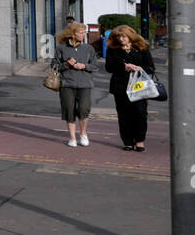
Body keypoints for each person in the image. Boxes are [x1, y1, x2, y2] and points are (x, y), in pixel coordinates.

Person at [105, 24, 156, 152]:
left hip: (139, 87)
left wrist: (139, 68)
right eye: (118, 37)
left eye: (124, 36)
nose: (121, 39)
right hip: (120, 87)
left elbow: (151, 67)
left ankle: (139, 141)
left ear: (130, 35)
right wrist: (123, 67)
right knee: (124, 115)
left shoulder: (141, 48)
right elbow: (108, 67)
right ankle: (127, 141)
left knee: (140, 113)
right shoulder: (113, 49)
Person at [54, 22, 97, 147]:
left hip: (85, 84)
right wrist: (66, 64)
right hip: (67, 84)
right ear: (72, 34)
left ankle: (83, 133)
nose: (83, 35)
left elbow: (95, 66)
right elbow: (54, 66)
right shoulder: (61, 48)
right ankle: (72, 138)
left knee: (84, 109)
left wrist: (84, 66)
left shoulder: (88, 48)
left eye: (84, 32)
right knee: (69, 110)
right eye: (81, 32)